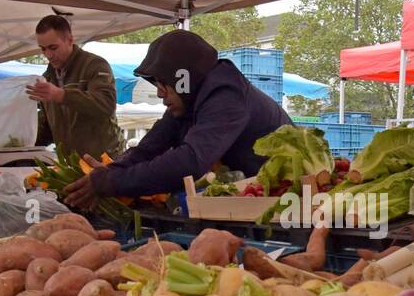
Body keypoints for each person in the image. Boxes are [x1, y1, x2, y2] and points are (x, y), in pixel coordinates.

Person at [64, 29, 292, 207]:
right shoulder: (190, 97)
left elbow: (190, 161)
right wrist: (112, 171)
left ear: (184, 78)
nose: (159, 92)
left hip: (288, 198)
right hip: (253, 196)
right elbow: (151, 146)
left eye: (162, 82)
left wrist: (113, 183)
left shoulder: (226, 96)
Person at [29, 15, 123, 158]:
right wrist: (20, 141)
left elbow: (106, 105)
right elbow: (46, 128)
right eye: (43, 49)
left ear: (70, 40)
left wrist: (61, 95)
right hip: (70, 165)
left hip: (103, 163)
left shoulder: (95, 65)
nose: (48, 55)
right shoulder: (47, 78)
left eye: (53, 48)